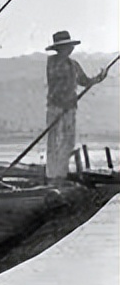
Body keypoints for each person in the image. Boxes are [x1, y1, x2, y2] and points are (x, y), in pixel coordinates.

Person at [44, 30, 106, 180]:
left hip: (70, 109)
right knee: (54, 142)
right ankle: (52, 175)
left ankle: (61, 174)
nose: (69, 49)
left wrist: (98, 78)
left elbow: (84, 81)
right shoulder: (53, 62)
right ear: (59, 49)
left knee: (67, 142)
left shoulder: (73, 64)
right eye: (66, 47)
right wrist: (65, 101)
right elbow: (57, 82)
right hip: (56, 108)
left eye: (69, 46)